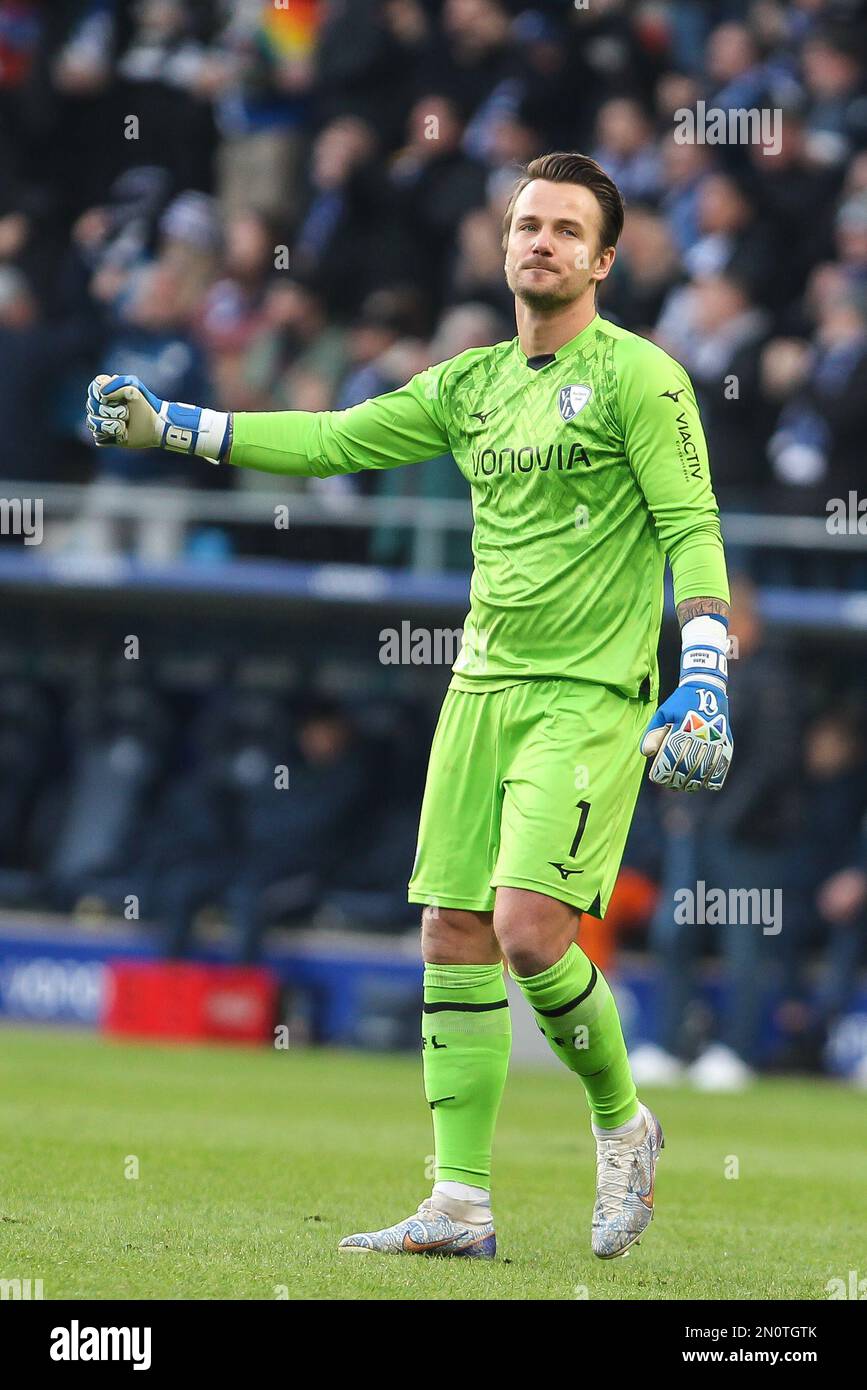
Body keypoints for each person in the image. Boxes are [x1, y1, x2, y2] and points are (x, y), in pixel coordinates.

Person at [85, 151, 734, 1262]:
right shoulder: (468, 382)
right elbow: (333, 439)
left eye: (567, 230)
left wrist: (707, 671)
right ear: (504, 245)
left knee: (534, 934)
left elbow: (692, 528)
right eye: (528, 223)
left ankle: (625, 1124)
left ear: (605, 259)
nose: (541, 241)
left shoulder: (645, 378)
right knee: (452, 932)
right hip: (479, 690)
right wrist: (179, 426)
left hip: (587, 699)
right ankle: (460, 1205)